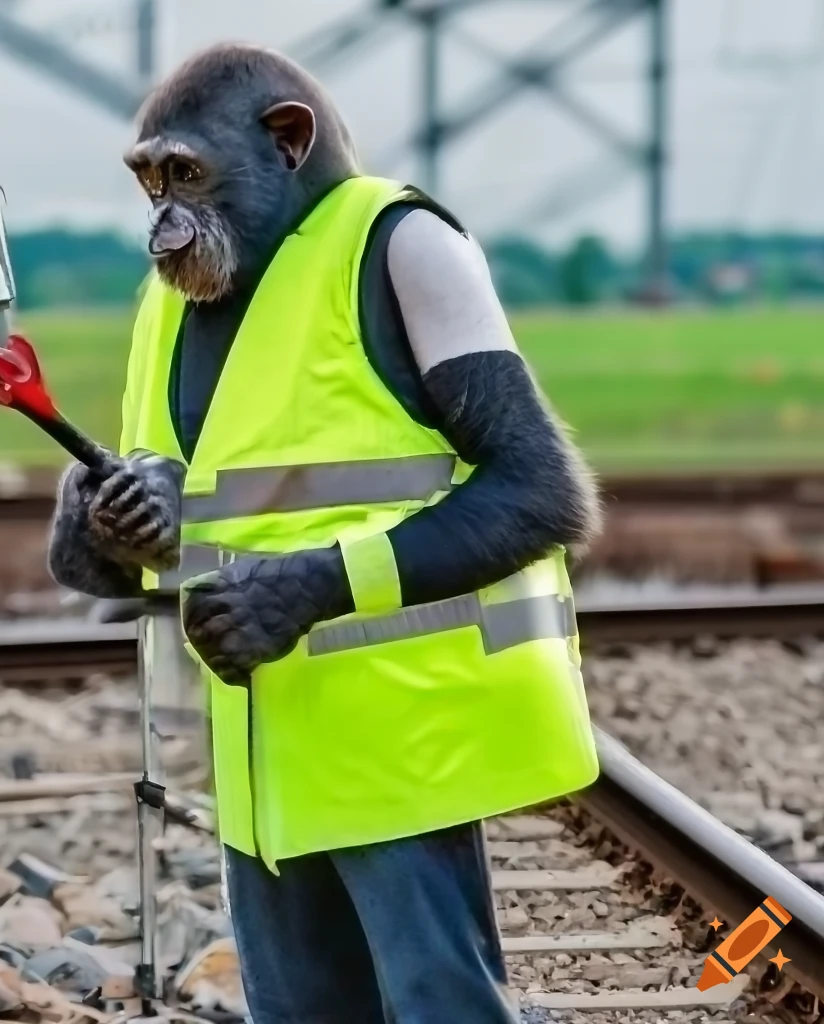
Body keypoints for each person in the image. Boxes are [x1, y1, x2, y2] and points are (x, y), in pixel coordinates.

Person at [47, 42, 602, 1024]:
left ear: (287, 141)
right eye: (149, 181)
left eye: (187, 174)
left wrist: (313, 588)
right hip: (264, 758)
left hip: (403, 744)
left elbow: (541, 494)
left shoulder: (398, 245)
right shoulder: (169, 304)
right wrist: (108, 520)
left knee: (441, 1011)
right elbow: (103, 563)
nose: (162, 217)